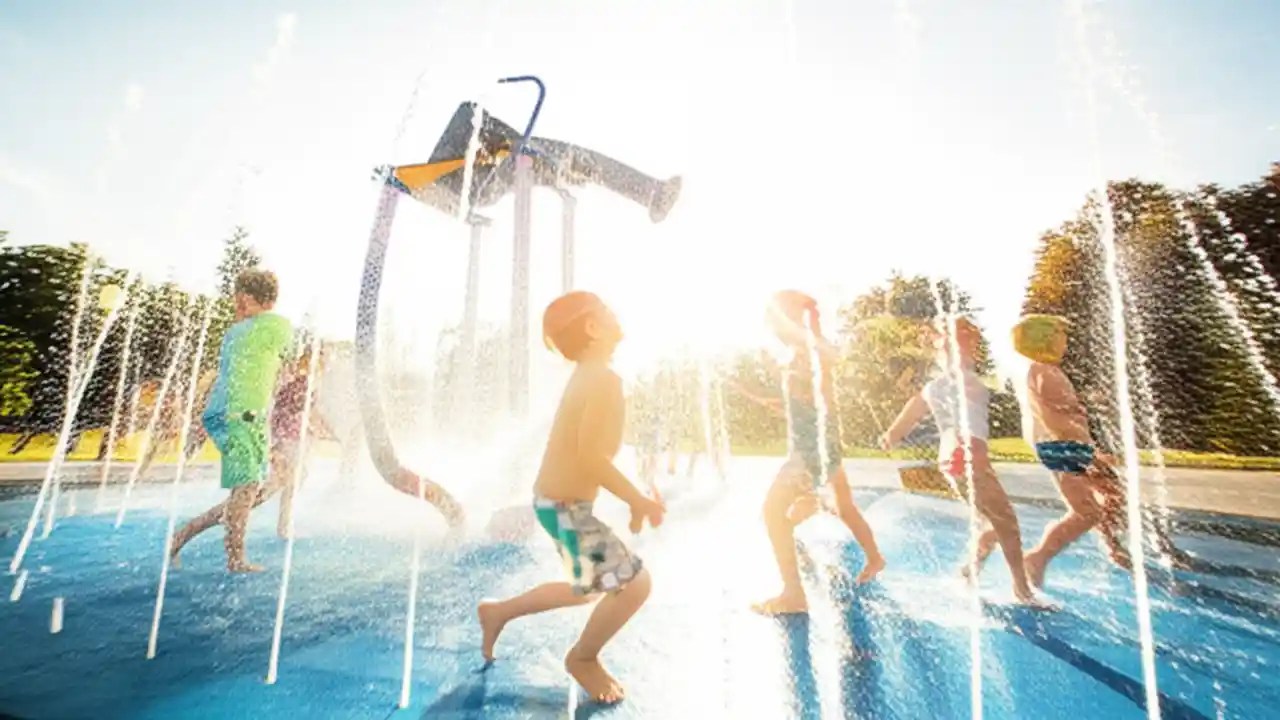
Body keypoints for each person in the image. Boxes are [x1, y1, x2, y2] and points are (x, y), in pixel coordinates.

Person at [476, 291, 665, 705]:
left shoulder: (590, 376)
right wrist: (637, 500)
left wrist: (632, 497)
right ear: (594, 328)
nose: (616, 312)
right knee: (634, 584)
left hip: (557, 503)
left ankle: (499, 612)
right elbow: (590, 456)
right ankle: (583, 658)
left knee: (591, 589)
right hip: (563, 506)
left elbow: (589, 455)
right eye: (608, 309)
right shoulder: (602, 379)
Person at [1013, 314, 1189, 589]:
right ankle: (1037, 557)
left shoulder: (1047, 370)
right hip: (1063, 448)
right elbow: (1053, 420)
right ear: (1044, 339)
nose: (1065, 340)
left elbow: (1061, 411)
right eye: (1060, 334)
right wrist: (1091, 453)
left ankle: (1113, 546)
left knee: (1114, 493)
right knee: (1086, 512)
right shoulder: (1044, 372)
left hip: (1068, 446)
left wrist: (1085, 406)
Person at [880, 317, 1043, 605]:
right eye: (963, 334)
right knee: (1007, 523)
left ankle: (969, 571)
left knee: (994, 523)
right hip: (966, 453)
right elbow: (916, 410)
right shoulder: (950, 377)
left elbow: (912, 411)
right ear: (946, 343)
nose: (971, 337)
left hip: (956, 457)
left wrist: (891, 436)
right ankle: (1022, 591)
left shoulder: (938, 384)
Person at [752, 291, 885, 616]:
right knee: (842, 507)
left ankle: (793, 593)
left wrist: (791, 386)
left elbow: (820, 391)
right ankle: (874, 557)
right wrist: (784, 404)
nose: (772, 326)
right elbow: (814, 401)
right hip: (823, 444)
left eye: (776, 317)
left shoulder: (809, 350)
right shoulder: (805, 350)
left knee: (773, 513)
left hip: (809, 450)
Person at [169, 270, 292, 573]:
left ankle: (185, 533)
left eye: (239, 298)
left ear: (247, 298)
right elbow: (289, 361)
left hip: (241, 415)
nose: (236, 303)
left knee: (263, 486)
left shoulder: (239, 331)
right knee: (248, 486)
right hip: (238, 415)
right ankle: (235, 559)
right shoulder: (277, 325)